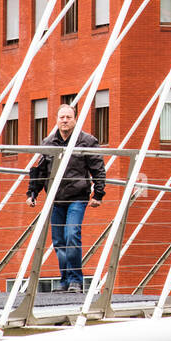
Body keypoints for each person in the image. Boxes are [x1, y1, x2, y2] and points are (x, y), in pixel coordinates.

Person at [27, 103, 105, 293]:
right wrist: (32, 193)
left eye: (68, 117)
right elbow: (40, 170)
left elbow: (98, 168)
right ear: (57, 120)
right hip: (55, 198)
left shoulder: (87, 141)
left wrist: (99, 194)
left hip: (77, 196)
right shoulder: (48, 142)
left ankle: (76, 281)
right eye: (61, 117)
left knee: (72, 235)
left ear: (75, 119)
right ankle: (65, 281)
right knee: (59, 240)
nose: (65, 120)